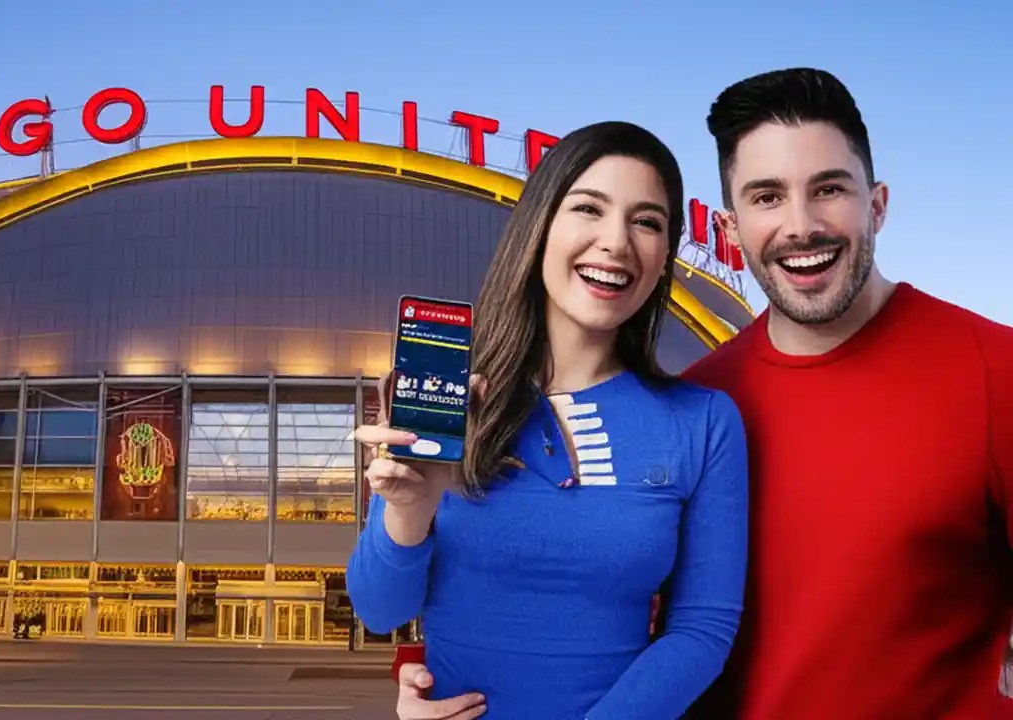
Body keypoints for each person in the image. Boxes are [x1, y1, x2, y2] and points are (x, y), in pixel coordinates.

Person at [391, 67, 1013, 719]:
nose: (801, 225)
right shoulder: (698, 404)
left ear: (878, 203)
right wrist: (435, 673)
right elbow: (623, 622)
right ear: (730, 227)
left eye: (828, 189)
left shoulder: (993, 370)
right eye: (767, 197)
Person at [346, 121, 749, 719]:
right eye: (589, 208)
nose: (616, 242)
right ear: (540, 227)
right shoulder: (454, 397)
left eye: (647, 221)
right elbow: (379, 610)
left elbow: (703, 631)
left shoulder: (703, 422)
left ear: (666, 255)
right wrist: (410, 511)